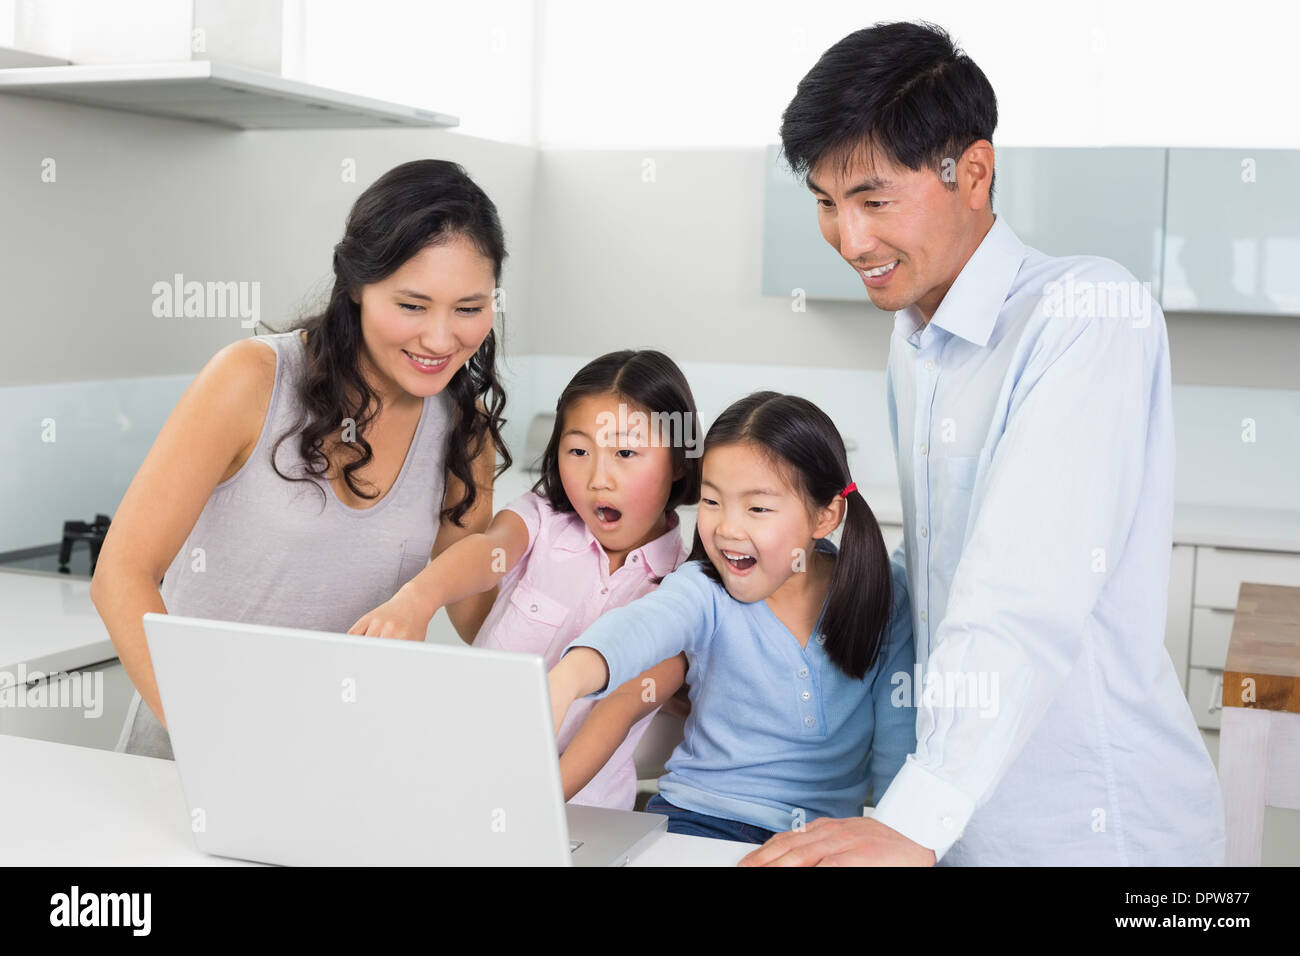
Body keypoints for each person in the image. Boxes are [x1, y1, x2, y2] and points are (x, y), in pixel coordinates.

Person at [742, 20, 1223, 866]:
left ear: (973, 171)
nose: (849, 242)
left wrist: (913, 819)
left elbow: (1019, 597)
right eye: (825, 203)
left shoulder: (1084, 314)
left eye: (874, 199)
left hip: (1095, 829)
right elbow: (944, 583)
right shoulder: (917, 338)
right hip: (965, 820)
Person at [91, 159, 512, 759]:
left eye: (469, 309)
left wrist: (566, 548)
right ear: (357, 285)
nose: (442, 340)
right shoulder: (251, 379)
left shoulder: (463, 431)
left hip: (338, 753)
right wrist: (212, 742)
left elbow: (476, 617)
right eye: (413, 306)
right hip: (192, 739)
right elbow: (119, 576)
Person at [548, 391, 915, 843]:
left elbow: (899, 745)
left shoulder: (884, 594)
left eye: (757, 507)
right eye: (712, 501)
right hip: (696, 818)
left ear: (826, 515)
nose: (726, 528)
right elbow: (642, 625)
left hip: (818, 840)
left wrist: (897, 835)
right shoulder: (705, 589)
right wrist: (567, 678)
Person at [348, 350, 701, 810]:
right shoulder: (542, 519)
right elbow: (485, 553)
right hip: (458, 783)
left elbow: (618, 714)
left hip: (578, 813)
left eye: (627, 453)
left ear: (677, 461)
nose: (598, 478)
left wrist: (531, 807)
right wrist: (417, 599)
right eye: (578, 451)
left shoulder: (686, 586)